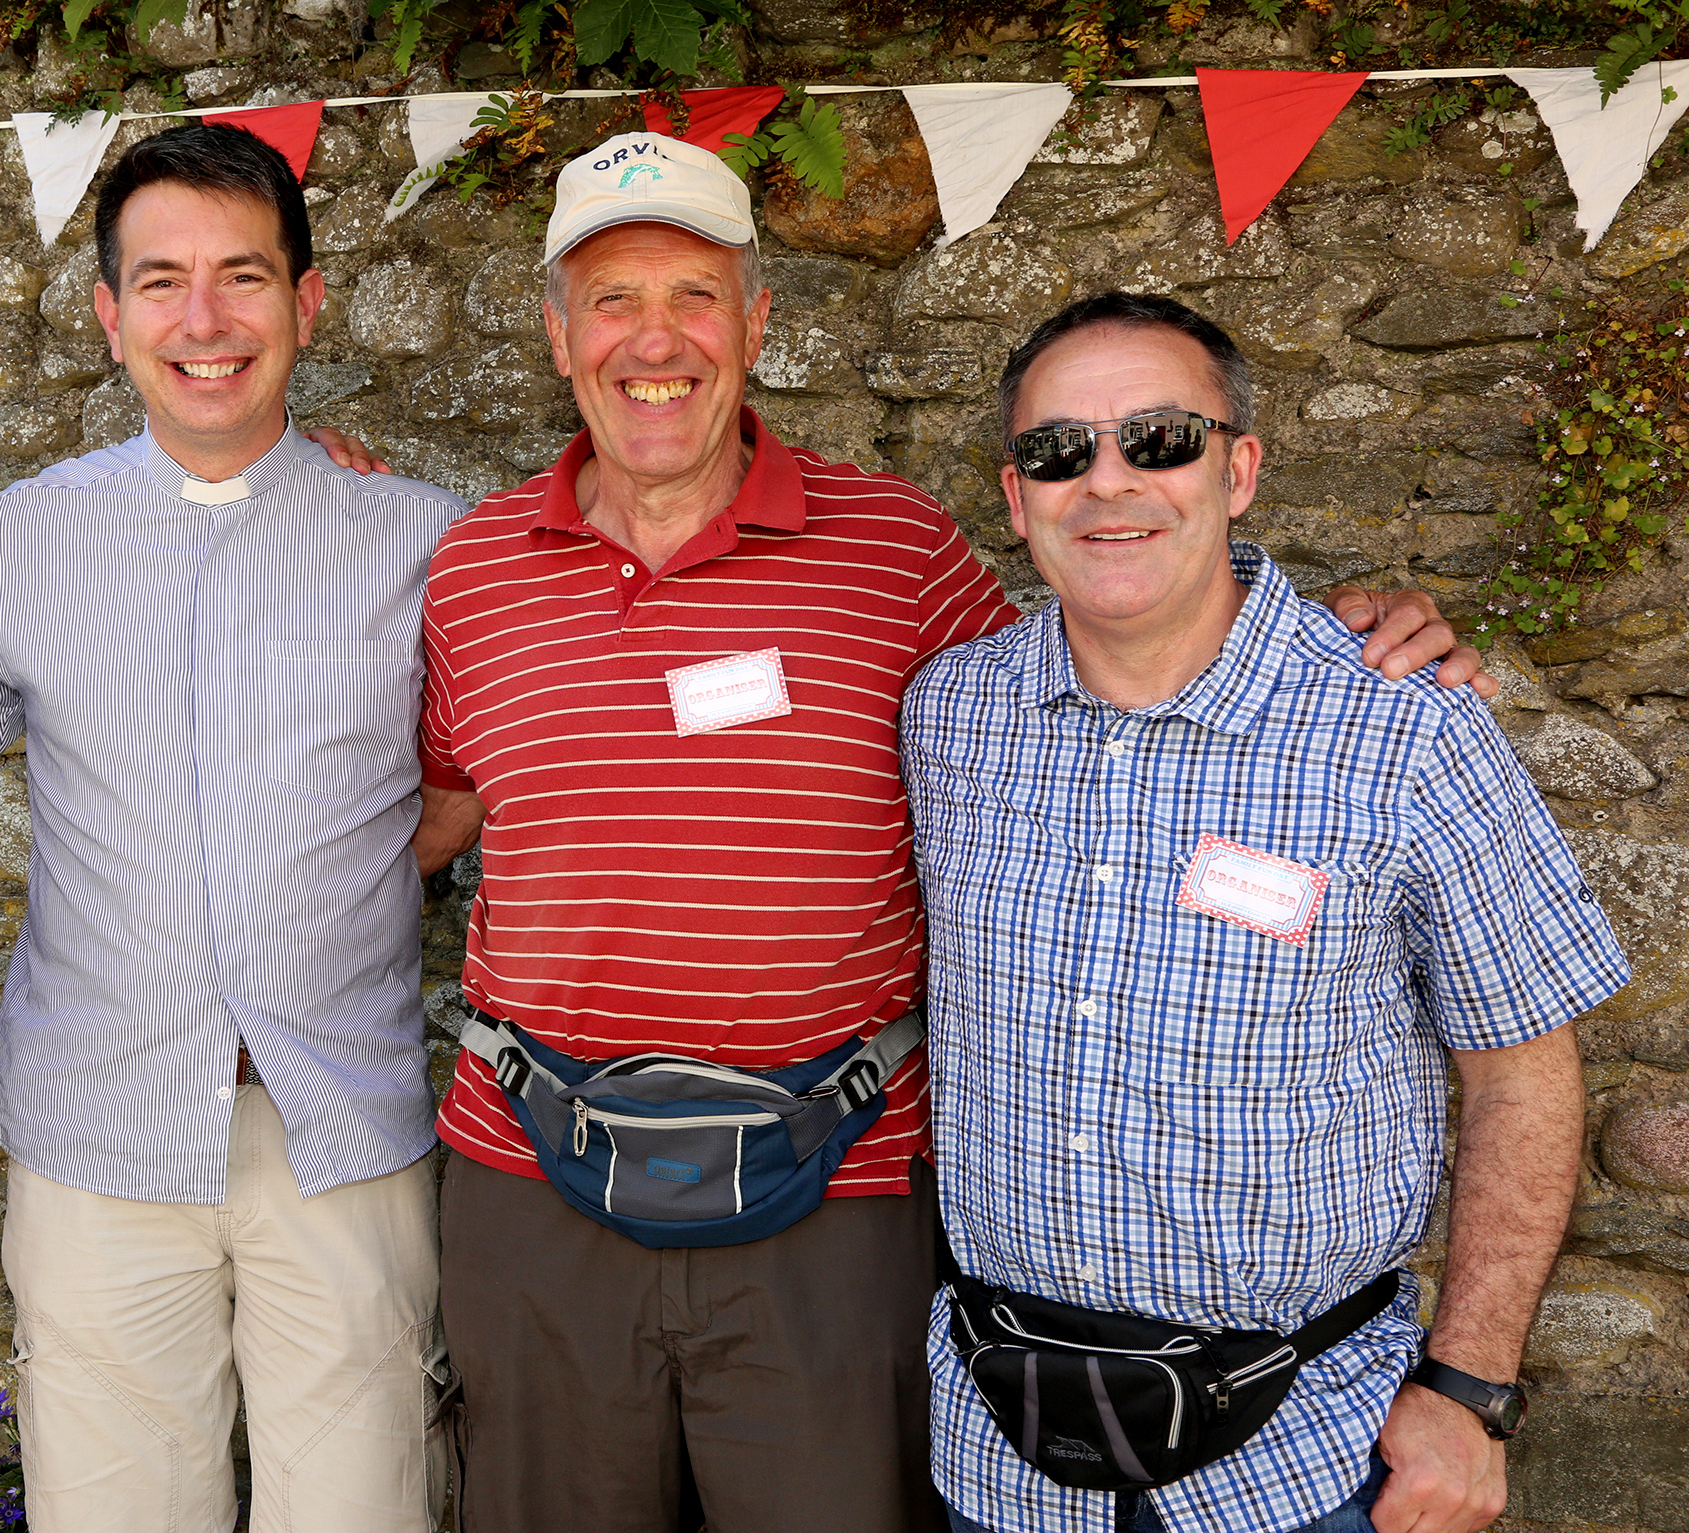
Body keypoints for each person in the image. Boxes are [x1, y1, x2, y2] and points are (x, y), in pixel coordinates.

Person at [412, 135, 1490, 1533]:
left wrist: (1336, 629)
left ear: (756, 323)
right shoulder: (471, 563)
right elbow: (433, 810)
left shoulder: (896, 552)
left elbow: (1106, 670)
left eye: (693, 293)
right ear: (556, 334)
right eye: (610, 299)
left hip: (832, 1188)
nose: (652, 339)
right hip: (531, 1175)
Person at [901, 291, 1624, 1533]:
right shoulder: (949, 717)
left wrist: (1470, 1386)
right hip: (1002, 1454)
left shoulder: (1406, 726)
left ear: (1237, 470)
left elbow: (1520, 1069)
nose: (1109, 483)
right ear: (1016, 499)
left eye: (1161, 441)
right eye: (1059, 453)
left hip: (1303, 1462)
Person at [0, 122, 465, 1533]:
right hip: (99, 1126)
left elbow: (482, 768)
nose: (204, 320)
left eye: (242, 275)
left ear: (308, 300)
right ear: (109, 317)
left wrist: (353, 864)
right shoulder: (9, 545)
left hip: (338, 1123)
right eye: (160, 282)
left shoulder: (419, 538)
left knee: (362, 1507)